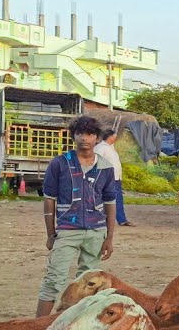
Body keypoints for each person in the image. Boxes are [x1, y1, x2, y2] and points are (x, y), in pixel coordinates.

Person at [35, 115, 119, 317]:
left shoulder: (106, 167)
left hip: (95, 232)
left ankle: (77, 327)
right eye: (80, 133)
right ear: (73, 136)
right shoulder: (60, 164)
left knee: (89, 284)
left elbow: (110, 202)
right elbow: (49, 199)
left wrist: (109, 238)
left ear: (97, 138)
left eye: (90, 134)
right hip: (67, 230)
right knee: (54, 280)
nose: (85, 138)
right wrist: (50, 233)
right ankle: (37, 328)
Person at [94, 128, 133, 227]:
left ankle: (122, 219)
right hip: (105, 177)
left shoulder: (111, 147)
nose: (115, 138)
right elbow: (96, 162)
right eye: (114, 136)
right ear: (110, 137)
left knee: (118, 198)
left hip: (116, 177)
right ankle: (100, 219)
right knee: (103, 198)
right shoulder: (100, 148)